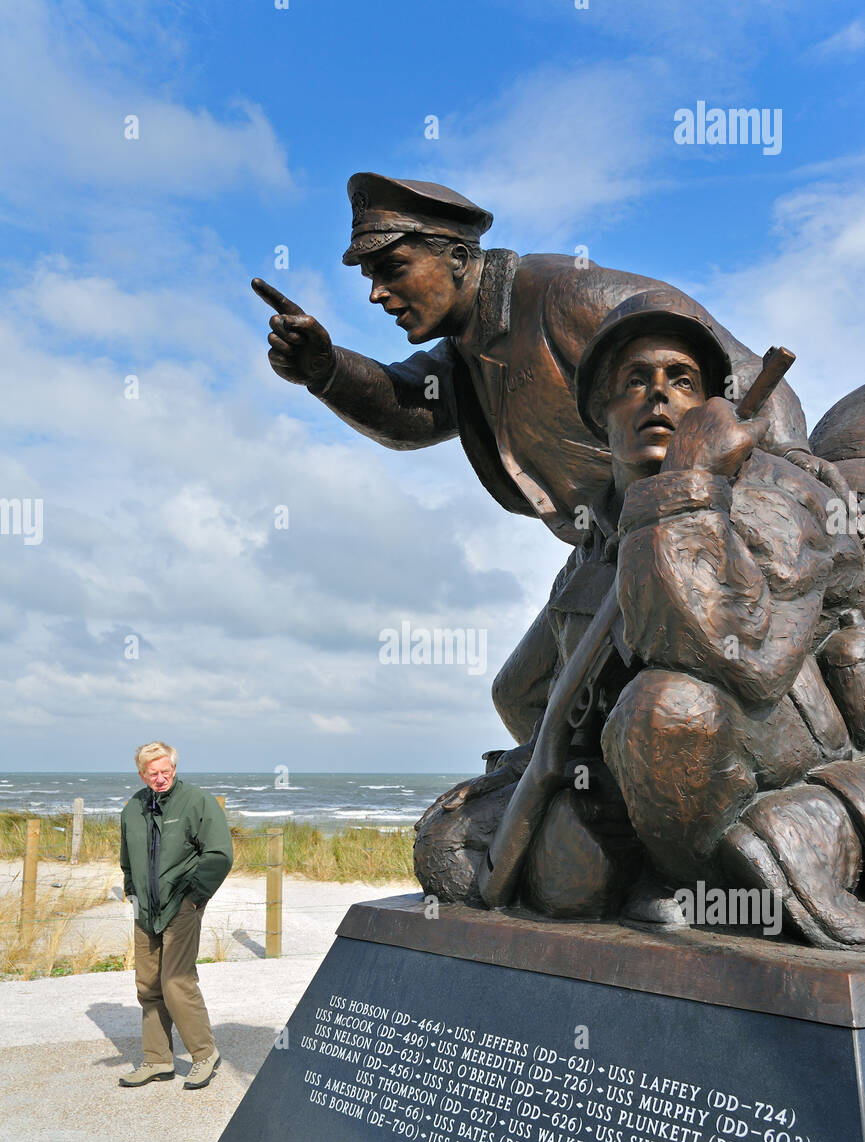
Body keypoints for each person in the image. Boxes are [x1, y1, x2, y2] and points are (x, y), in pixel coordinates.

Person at [252, 173, 820, 754]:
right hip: (607, 546)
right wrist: (324, 370)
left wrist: (790, 477)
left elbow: (749, 377)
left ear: (454, 257)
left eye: (392, 270)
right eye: (371, 278)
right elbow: (406, 410)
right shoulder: (465, 351)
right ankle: (598, 814)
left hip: (690, 525)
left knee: (661, 700)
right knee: (522, 697)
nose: (378, 295)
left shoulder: (563, 295)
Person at [415, 290, 865, 948]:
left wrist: (687, 483)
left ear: (713, 408)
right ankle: (653, 846)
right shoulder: (597, 533)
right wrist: (547, 768)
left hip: (769, 766)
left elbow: (726, 654)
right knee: (466, 855)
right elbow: (521, 691)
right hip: (651, 781)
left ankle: (696, 883)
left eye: (680, 380)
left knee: (668, 706)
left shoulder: (779, 502)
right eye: (634, 381)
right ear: (601, 416)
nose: (657, 396)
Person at [118, 742, 233, 1087]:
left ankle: (204, 1054)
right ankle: (157, 1060)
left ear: (174, 768)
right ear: (142, 774)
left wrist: (194, 898)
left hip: (182, 905)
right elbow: (127, 861)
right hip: (145, 910)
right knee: (148, 984)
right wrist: (133, 893)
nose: (161, 777)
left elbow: (219, 855)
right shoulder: (131, 809)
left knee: (175, 981)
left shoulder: (197, 801)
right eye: (153, 772)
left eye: (166, 770)